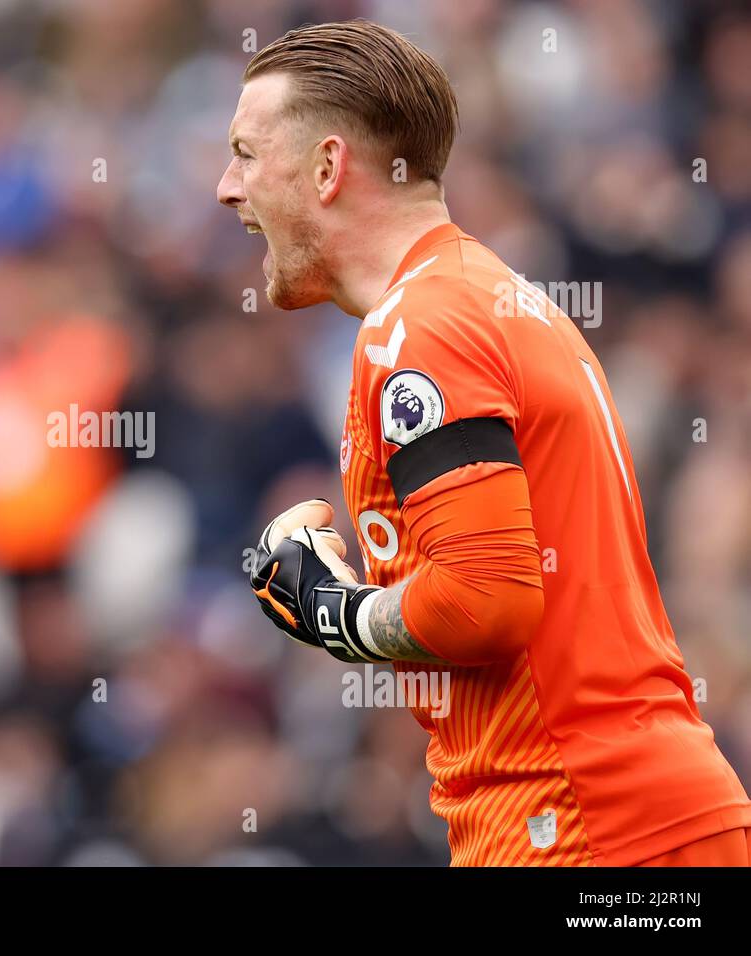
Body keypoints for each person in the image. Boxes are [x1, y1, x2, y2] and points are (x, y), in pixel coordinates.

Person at [218, 19, 751, 866]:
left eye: (245, 153)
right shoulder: (481, 298)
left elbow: (487, 597)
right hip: (615, 811)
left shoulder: (421, 325)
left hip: (578, 820)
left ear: (326, 168)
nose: (225, 188)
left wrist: (333, 610)